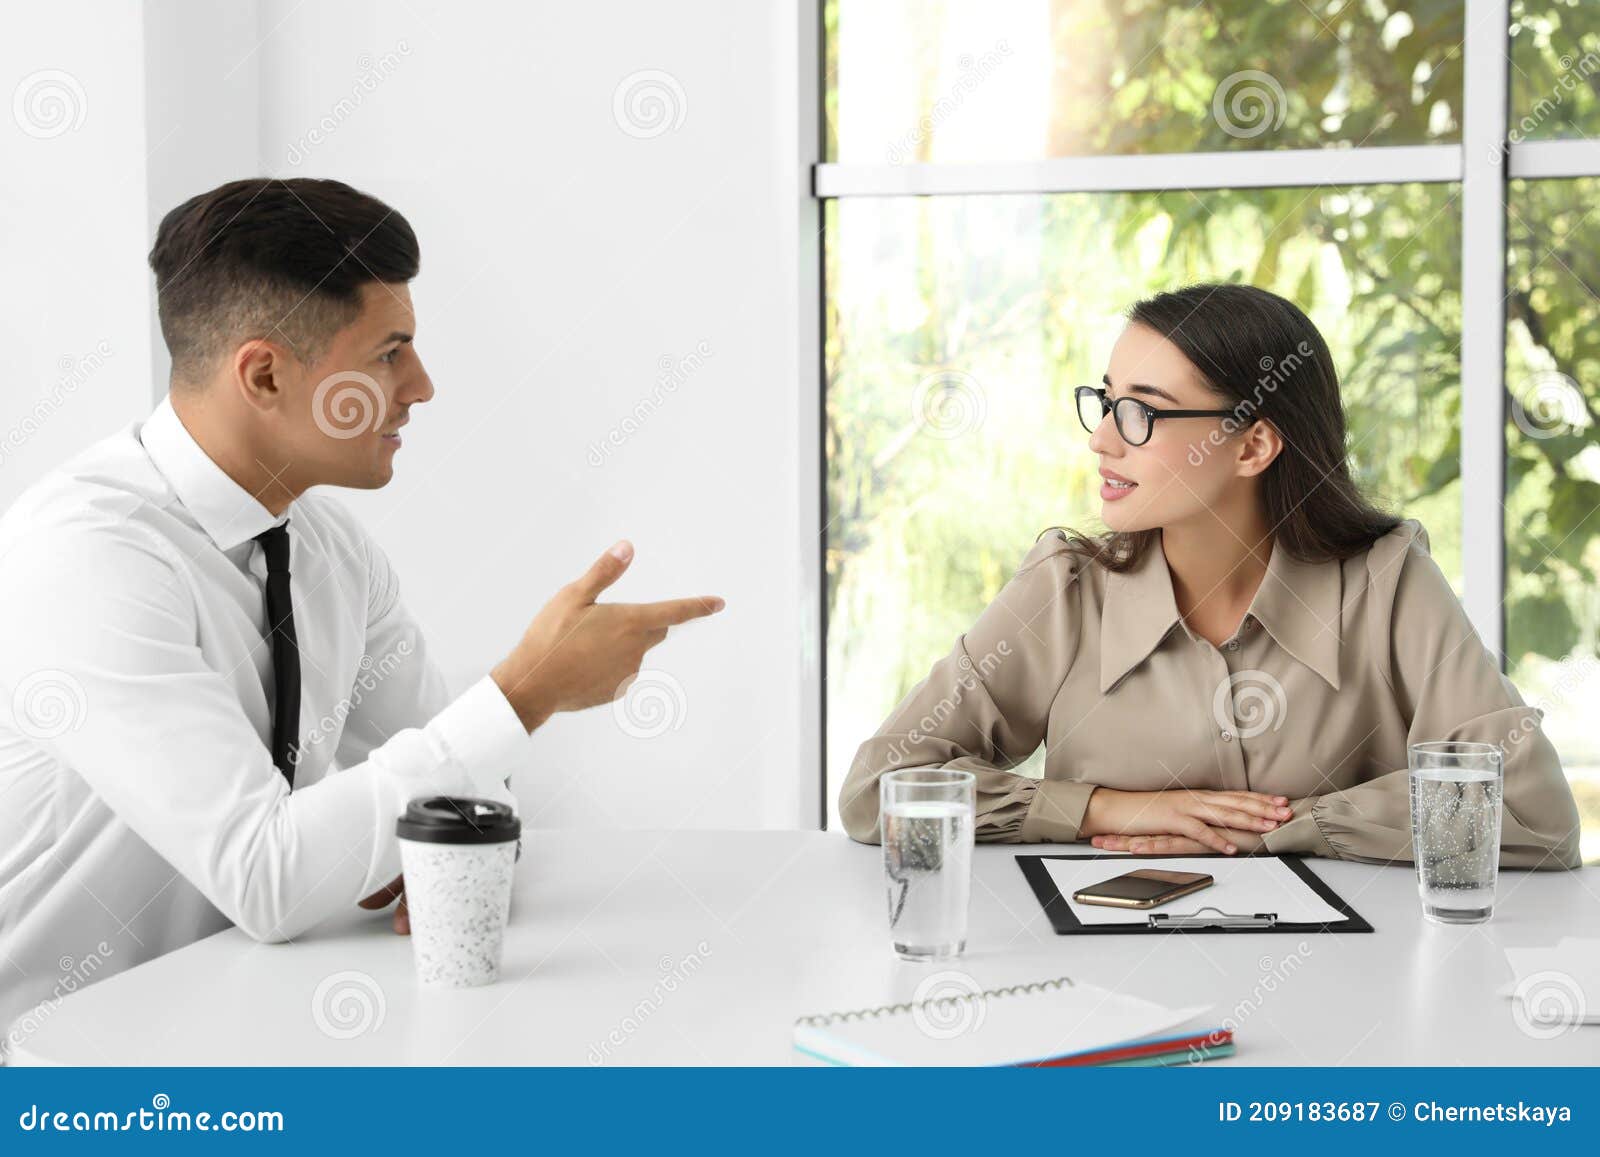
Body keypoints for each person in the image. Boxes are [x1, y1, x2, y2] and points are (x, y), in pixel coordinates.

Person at [0, 178, 724, 1042]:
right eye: (390, 352)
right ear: (264, 372)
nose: (421, 386)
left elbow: (465, 803)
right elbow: (267, 876)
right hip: (50, 1068)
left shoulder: (328, 548)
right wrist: (526, 689)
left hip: (228, 1037)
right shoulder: (88, 555)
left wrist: (437, 847)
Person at [840, 283, 1581, 869]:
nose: (1102, 438)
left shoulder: (1389, 584)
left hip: (1352, 998)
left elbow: (1532, 811)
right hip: (1104, 992)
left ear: (1254, 444)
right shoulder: (1066, 591)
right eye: (1105, 402)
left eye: (1142, 413)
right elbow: (880, 790)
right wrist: (1102, 808)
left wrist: (1282, 827)